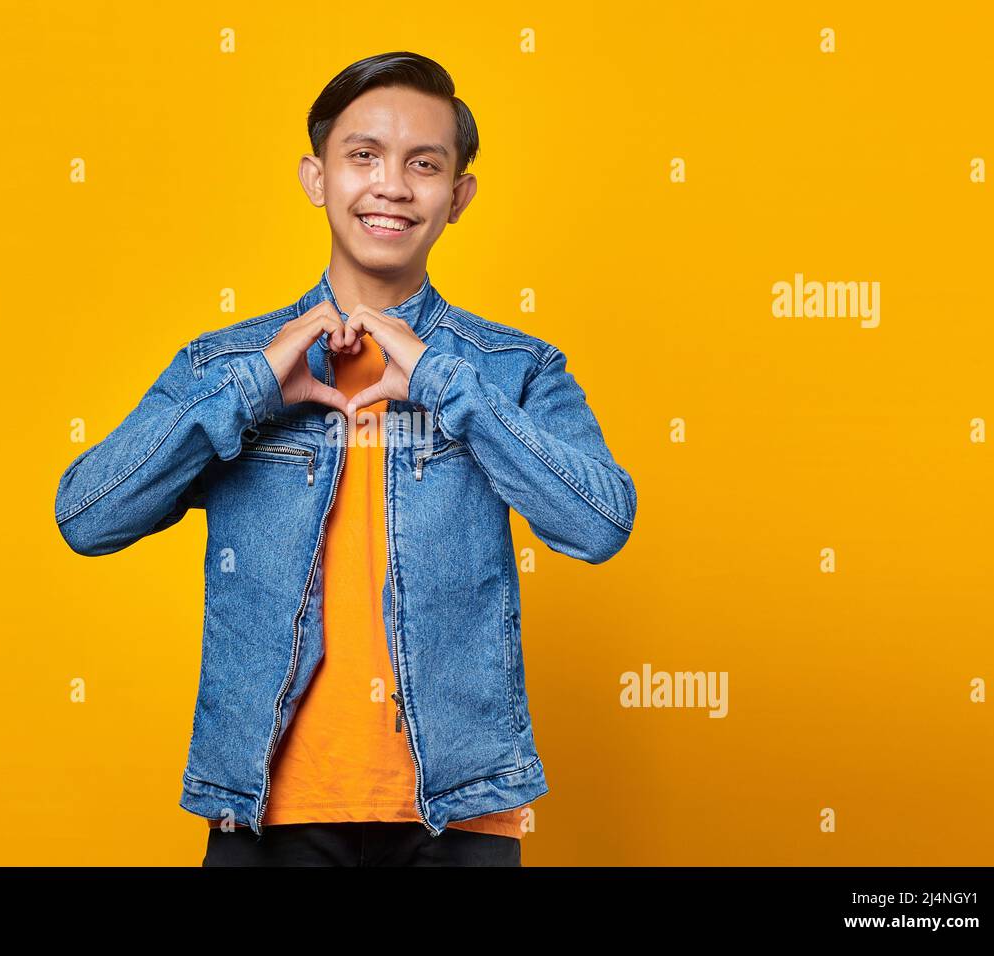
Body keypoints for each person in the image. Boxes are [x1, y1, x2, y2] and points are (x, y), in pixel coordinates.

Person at [54, 51, 637, 866]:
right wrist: (251, 390)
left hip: (456, 814)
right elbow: (88, 516)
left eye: (423, 164)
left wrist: (444, 383)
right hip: (267, 813)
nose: (392, 186)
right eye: (363, 156)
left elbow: (600, 522)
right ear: (317, 177)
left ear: (458, 196)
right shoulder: (230, 364)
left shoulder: (513, 368)